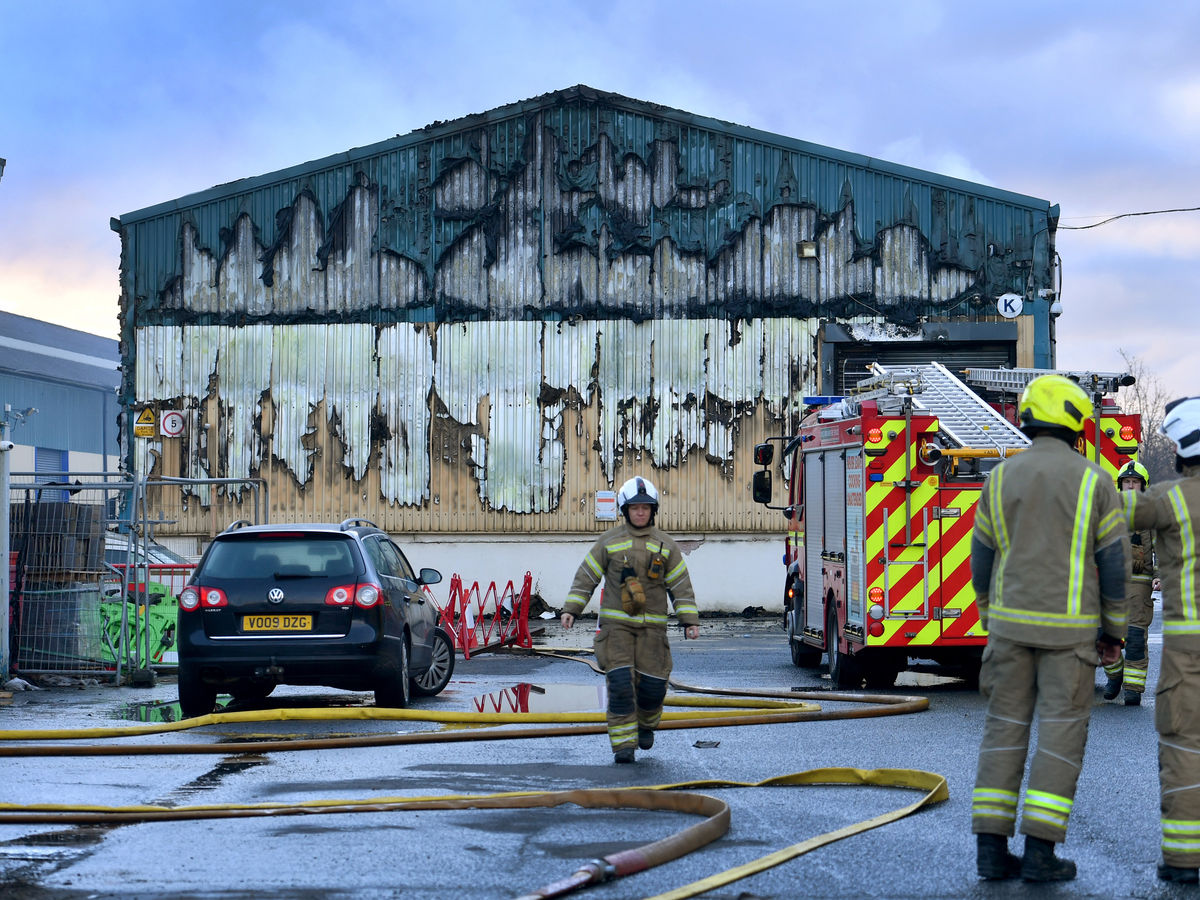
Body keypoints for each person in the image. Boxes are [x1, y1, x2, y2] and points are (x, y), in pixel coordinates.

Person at [970, 374, 1128, 882]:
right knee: (1060, 740)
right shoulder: (1095, 481)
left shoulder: (999, 478)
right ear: (1074, 425)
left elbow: (980, 557)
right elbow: (1113, 566)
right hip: (1071, 638)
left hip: (1009, 631)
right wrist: (1114, 632)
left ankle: (991, 854)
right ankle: (1040, 855)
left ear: (1030, 418)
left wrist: (988, 612)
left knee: (1003, 735)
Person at [560, 476, 700, 764]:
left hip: (653, 633)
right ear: (625, 510)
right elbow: (586, 577)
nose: (640, 512)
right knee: (621, 685)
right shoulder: (608, 543)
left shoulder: (666, 546)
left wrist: (689, 620)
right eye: (635, 507)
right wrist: (571, 609)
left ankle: (646, 725)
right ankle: (623, 746)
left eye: (645, 508)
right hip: (617, 631)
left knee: (652, 688)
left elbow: (680, 585)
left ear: (653, 511)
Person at [1122, 396, 1200, 883]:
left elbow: (1109, 511)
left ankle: (1184, 862)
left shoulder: (1169, 499)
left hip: (1189, 652)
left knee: (1185, 746)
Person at [1102, 460, 1158, 705]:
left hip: (1139, 584)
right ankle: (1115, 675)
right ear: (1121, 485)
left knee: (1135, 638)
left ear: (1143, 486)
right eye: (1127, 482)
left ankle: (1133, 690)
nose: (1131, 487)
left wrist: (1159, 576)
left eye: (1136, 482)